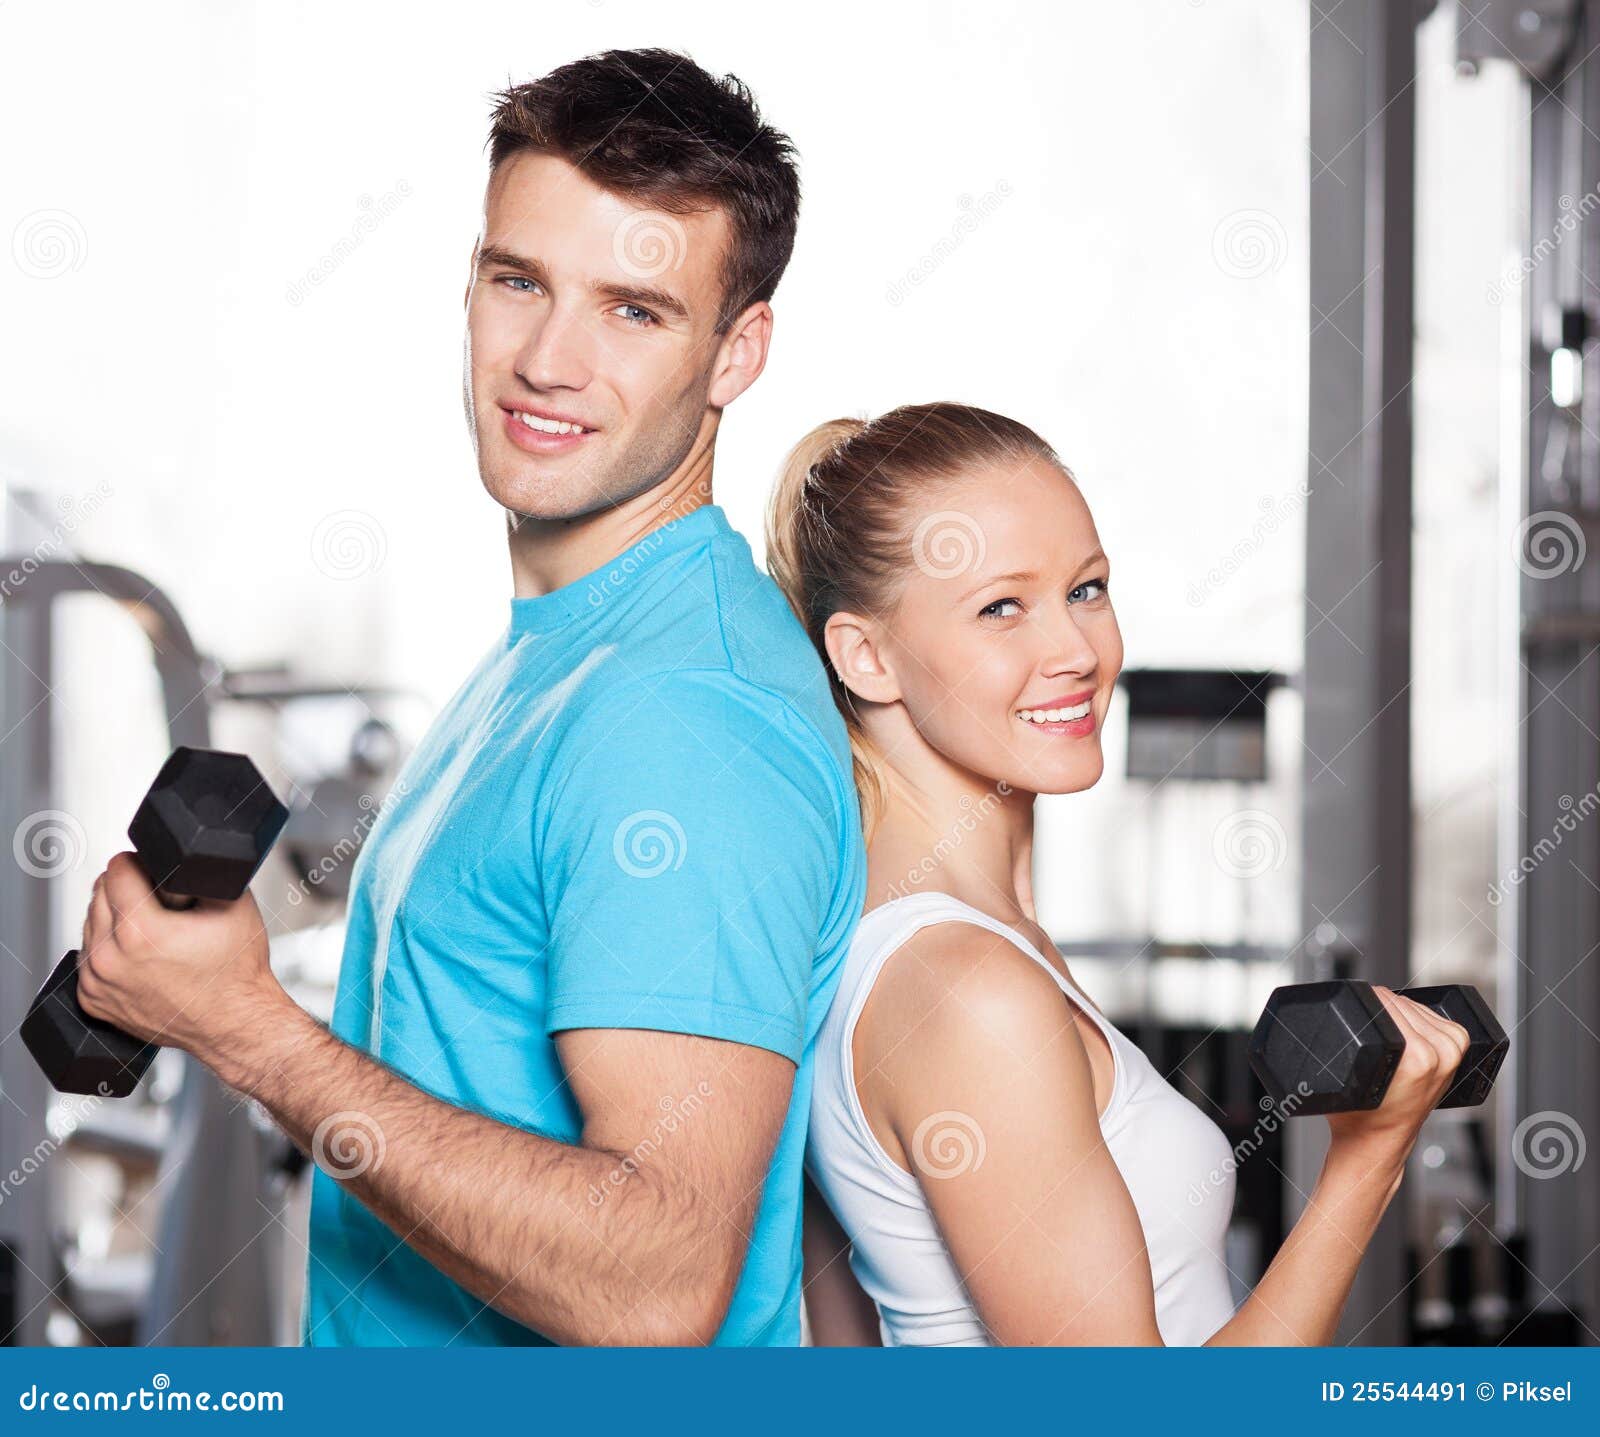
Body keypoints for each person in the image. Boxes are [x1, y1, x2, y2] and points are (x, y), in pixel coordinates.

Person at [72, 48, 865, 1347]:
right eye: (520, 282)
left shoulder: (686, 716)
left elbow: (656, 1282)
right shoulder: (561, 653)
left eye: (635, 310)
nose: (550, 359)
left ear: (739, 352)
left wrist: (249, 1032)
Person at [766, 402, 1470, 1346]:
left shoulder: (916, 937)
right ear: (866, 655)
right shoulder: (966, 991)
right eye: (1001, 607)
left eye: (1087, 589)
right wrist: (1368, 1161)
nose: (1076, 653)